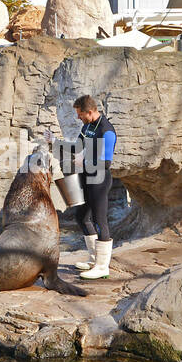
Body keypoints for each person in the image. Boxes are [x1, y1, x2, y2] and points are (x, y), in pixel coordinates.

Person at [68, 94, 117, 279]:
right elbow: (77, 146)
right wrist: (55, 143)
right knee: (82, 217)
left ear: (89, 112)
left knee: (99, 219)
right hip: (87, 177)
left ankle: (103, 267)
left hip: (100, 180)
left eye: (80, 114)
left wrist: (85, 160)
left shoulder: (106, 131)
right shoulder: (87, 126)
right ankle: (94, 260)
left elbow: (105, 163)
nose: (78, 118)